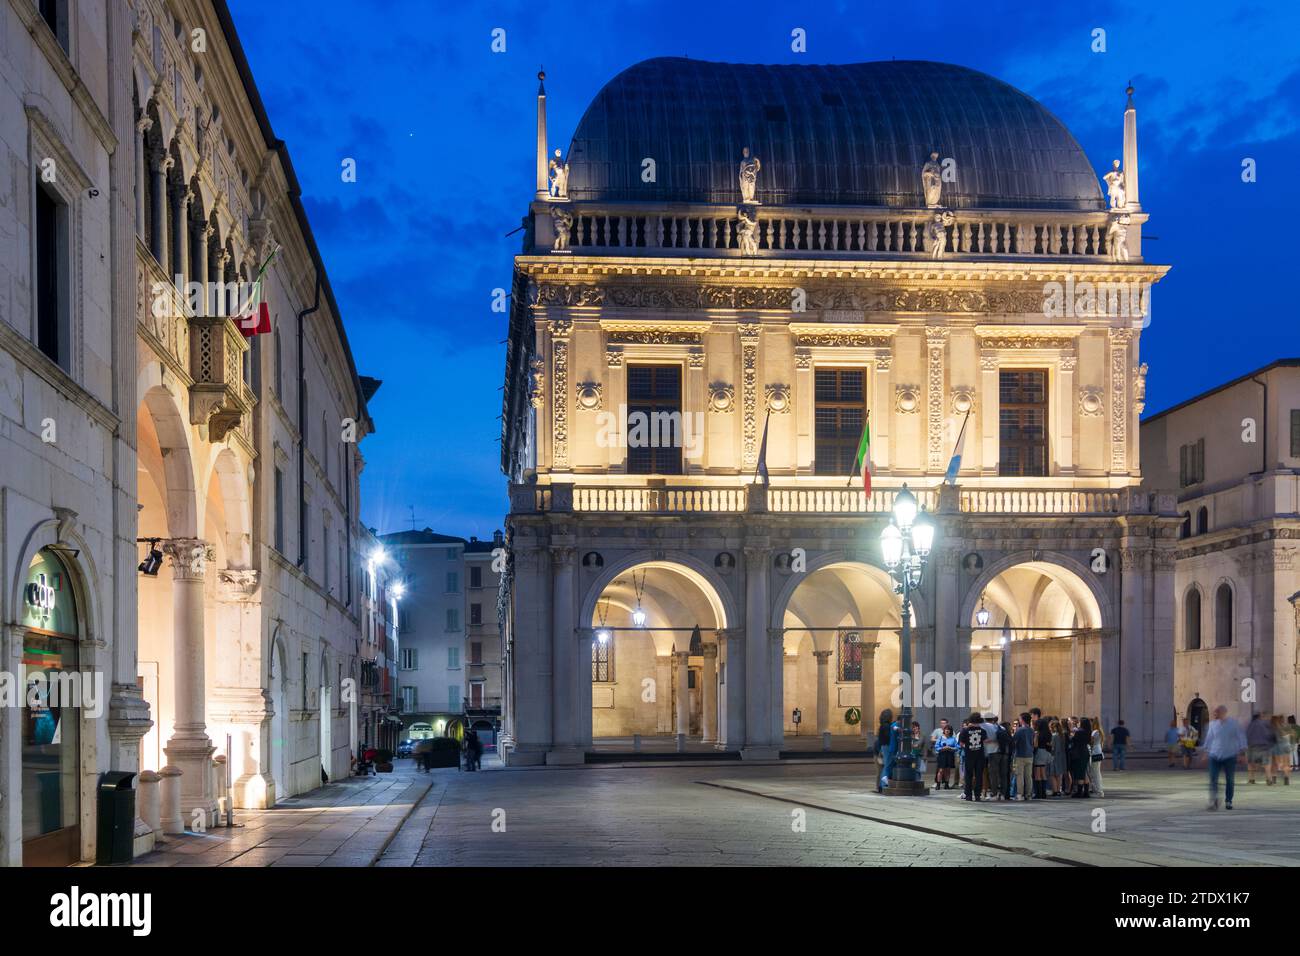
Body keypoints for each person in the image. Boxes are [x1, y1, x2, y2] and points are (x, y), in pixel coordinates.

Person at [1203, 705, 1247, 810]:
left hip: (1229, 755)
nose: (1215, 714)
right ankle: (1214, 800)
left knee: (1230, 779)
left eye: (1217, 712)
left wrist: (1242, 753)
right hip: (1214, 755)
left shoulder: (1233, 724)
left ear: (1223, 712)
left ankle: (1228, 800)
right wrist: (1205, 752)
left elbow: (1241, 737)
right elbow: (1209, 738)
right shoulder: (1213, 724)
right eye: (1215, 713)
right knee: (1213, 779)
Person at [958, 713, 988, 801]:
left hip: (969, 755)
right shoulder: (982, 731)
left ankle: (968, 795)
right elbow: (985, 741)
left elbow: (961, 744)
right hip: (980, 756)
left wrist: (969, 747)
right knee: (979, 775)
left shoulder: (965, 731)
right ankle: (977, 795)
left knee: (968, 776)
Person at [1246, 713, 1276, 784]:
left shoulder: (1250, 725)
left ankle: (1251, 779)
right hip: (1265, 747)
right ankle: (1269, 779)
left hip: (1252, 748)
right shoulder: (1266, 723)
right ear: (1260, 717)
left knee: (1250, 764)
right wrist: (1272, 743)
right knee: (1267, 764)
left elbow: (1246, 736)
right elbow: (1271, 734)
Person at [1013, 713, 1035, 801]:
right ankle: (1028, 794)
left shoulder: (1019, 730)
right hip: (1030, 755)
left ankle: (1020, 794)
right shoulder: (1031, 730)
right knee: (1028, 776)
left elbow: (1014, 741)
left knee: (1019, 775)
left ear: (1022, 720)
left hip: (1020, 755)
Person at [1068, 717, 1093, 797]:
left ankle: (1079, 792)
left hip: (1079, 753)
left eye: (1079, 722)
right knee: (1084, 771)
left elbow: (1074, 741)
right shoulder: (1088, 731)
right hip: (1085, 752)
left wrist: (1071, 736)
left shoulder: (1079, 731)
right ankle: (1086, 792)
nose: (1078, 723)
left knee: (1080, 773)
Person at [980, 713, 1002, 799]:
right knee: (994, 773)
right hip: (995, 751)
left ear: (985, 719)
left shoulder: (981, 726)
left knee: (983, 773)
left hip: (983, 752)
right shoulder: (998, 727)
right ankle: (994, 792)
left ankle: (984, 791)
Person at [875, 709, 896, 793]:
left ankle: (881, 785)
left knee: (886, 766)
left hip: (883, 747)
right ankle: (883, 785)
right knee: (887, 766)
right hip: (887, 747)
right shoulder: (887, 726)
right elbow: (888, 737)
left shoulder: (882, 725)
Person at [1032, 716, 1053, 799]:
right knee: (1043, 773)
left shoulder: (1038, 733)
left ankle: (1038, 793)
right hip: (1045, 753)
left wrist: (1035, 737)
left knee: (1037, 774)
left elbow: (1035, 745)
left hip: (1039, 752)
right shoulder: (1048, 733)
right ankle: (1043, 793)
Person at [934, 722, 959, 790]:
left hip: (950, 755)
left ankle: (946, 784)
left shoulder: (953, 739)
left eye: (949, 729)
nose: (947, 730)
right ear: (944, 730)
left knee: (948, 770)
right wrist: (942, 748)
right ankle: (938, 784)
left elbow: (957, 747)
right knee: (941, 770)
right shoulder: (940, 738)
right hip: (942, 755)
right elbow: (936, 747)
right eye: (946, 729)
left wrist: (951, 748)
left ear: (950, 731)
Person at [930, 718, 953, 788]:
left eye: (944, 723)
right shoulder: (937, 731)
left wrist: (951, 747)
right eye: (941, 723)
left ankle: (946, 783)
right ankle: (937, 783)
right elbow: (932, 739)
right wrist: (941, 741)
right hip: (940, 753)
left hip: (949, 753)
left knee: (947, 769)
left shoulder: (951, 732)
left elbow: (955, 743)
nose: (943, 724)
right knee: (940, 769)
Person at [1269, 715, 1291, 785]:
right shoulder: (1285, 726)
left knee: (1274, 764)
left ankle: (1274, 778)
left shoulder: (1272, 728)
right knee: (1286, 763)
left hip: (1277, 746)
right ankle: (1286, 779)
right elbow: (1289, 734)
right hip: (1287, 745)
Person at [1087, 716, 1105, 797]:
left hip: (1094, 753)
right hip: (1099, 752)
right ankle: (1098, 790)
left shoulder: (1094, 732)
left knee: (1094, 773)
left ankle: (1098, 791)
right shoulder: (1100, 731)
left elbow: (1091, 742)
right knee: (1097, 772)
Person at [1050, 719, 1069, 796]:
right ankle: (1059, 790)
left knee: (1053, 774)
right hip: (1062, 756)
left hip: (1055, 756)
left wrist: (1049, 744)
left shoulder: (1054, 736)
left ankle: (1055, 790)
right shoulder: (1063, 735)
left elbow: (1053, 748)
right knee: (1059, 775)